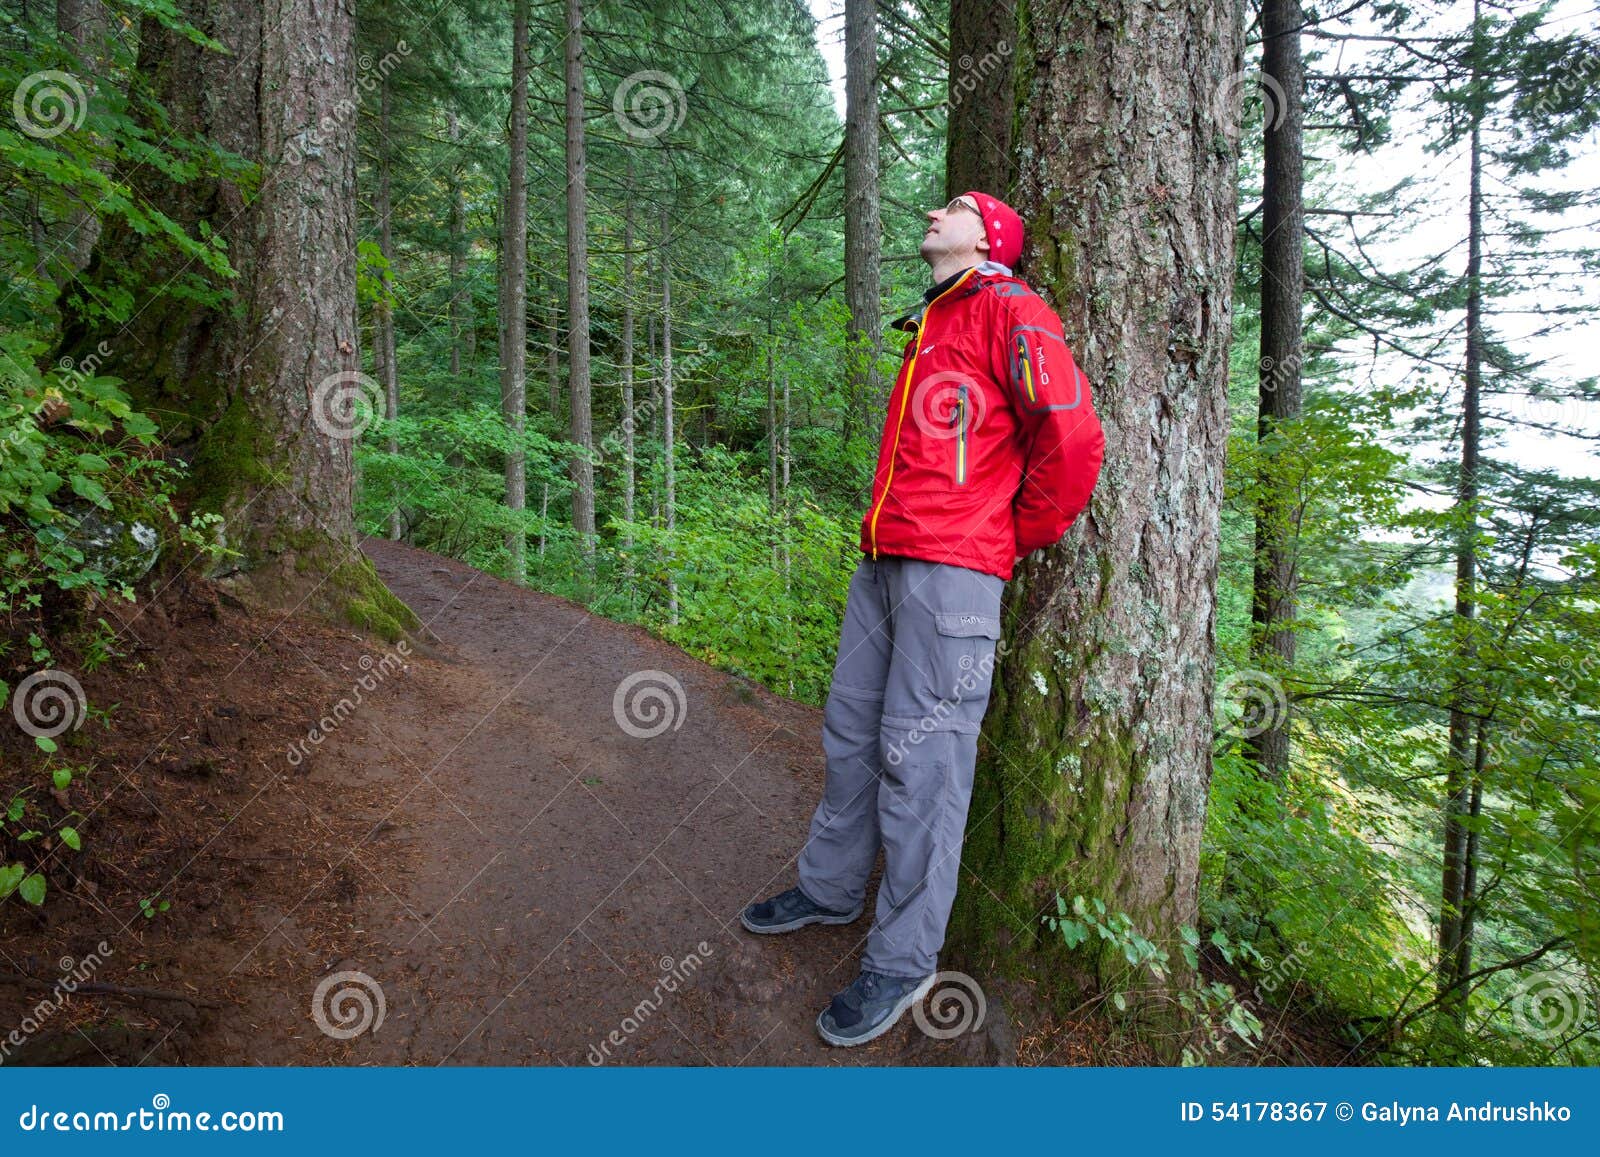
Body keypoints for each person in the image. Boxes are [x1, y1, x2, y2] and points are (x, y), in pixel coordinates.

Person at [741, 192, 1107, 1046]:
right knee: (851, 733)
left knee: (926, 767)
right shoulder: (933, 324)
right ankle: (830, 888)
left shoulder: (1011, 308)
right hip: (885, 560)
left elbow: (1075, 436)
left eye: (955, 209)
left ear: (989, 239)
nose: (934, 214)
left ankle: (904, 963)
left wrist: (1012, 534)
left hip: (954, 575)